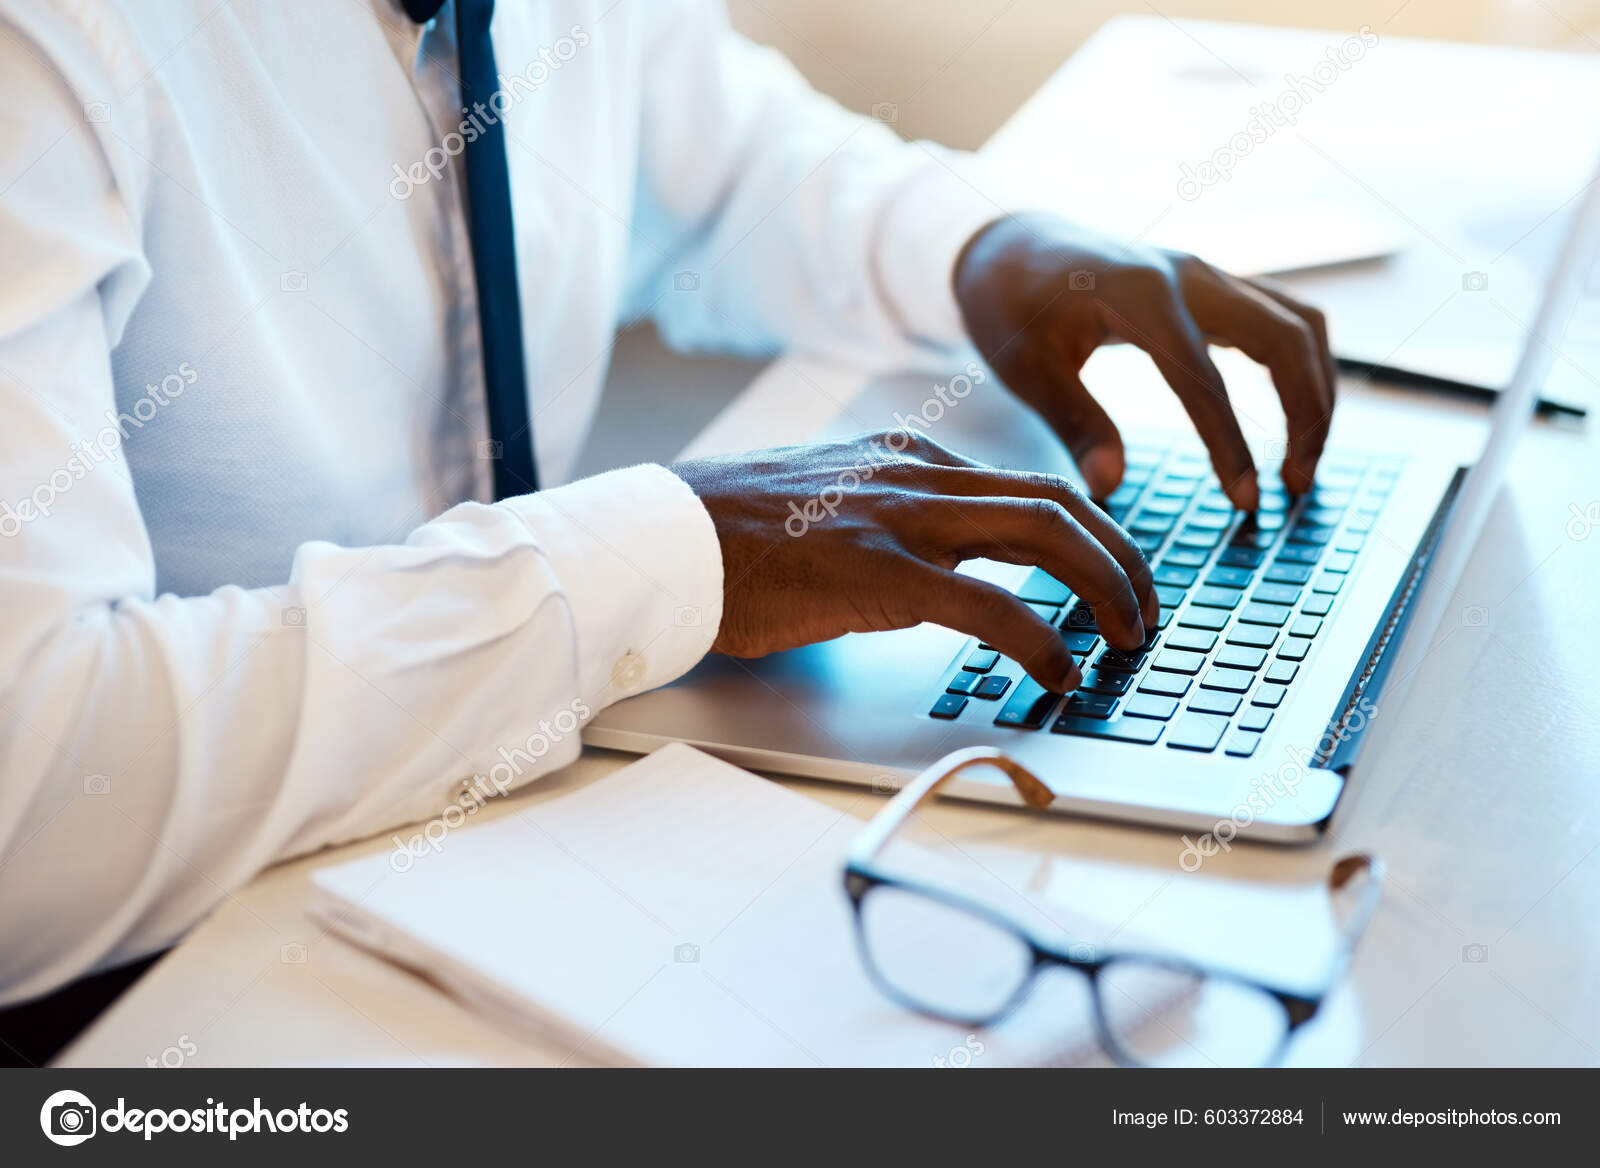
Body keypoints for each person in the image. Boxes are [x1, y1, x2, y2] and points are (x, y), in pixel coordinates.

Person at [0, 0, 1334, 1012]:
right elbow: (36, 790)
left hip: (498, 831)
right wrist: (680, 551)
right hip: (169, 984)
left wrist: (972, 247)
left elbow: (722, 163)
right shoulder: (48, 53)